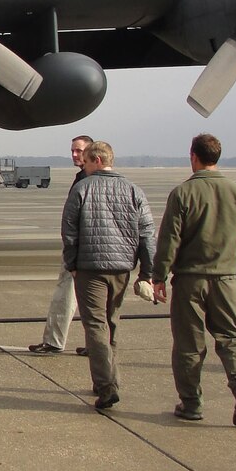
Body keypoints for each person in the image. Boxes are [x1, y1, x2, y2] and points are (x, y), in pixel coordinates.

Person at [151, 133, 236, 426]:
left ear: (193, 156)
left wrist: (158, 276)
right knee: (232, 337)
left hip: (190, 281)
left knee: (189, 344)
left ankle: (191, 404)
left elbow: (169, 240)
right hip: (225, 279)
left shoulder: (183, 194)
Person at [62, 141, 155, 410]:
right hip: (121, 268)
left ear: (97, 161)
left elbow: (69, 231)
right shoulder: (134, 190)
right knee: (111, 320)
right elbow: (147, 234)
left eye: (87, 162)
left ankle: (106, 385)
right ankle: (109, 378)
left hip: (90, 267)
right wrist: (146, 272)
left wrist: (72, 263)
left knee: (95, 325)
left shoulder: (82, 189)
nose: (85, 166)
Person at [29, 135, 93, 355]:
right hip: (90, 249)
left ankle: (55, 341)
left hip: (81, 249)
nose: (75, 155)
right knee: (90, 300)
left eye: (79, 151)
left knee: (65, 295)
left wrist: (71, 250)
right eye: (73, 151)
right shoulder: (84, 178)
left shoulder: (86, 181)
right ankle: (97, 343)